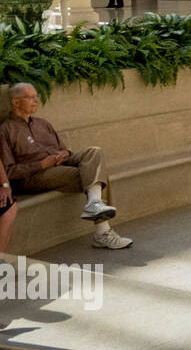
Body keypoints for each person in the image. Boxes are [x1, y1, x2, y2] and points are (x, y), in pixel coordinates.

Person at [1, 82, 133, 249]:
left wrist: (66, 153)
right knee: (95, 176)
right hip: (33, 177)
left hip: (58, 163)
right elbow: (9, 172)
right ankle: (102, 231)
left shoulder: (43, 123)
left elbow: (63, 149)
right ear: (15, 101)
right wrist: (41, 164)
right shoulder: (5, 130)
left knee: (94, 152)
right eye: (31, 97)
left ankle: (94, 203)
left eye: (37, 96)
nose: (36, 100)